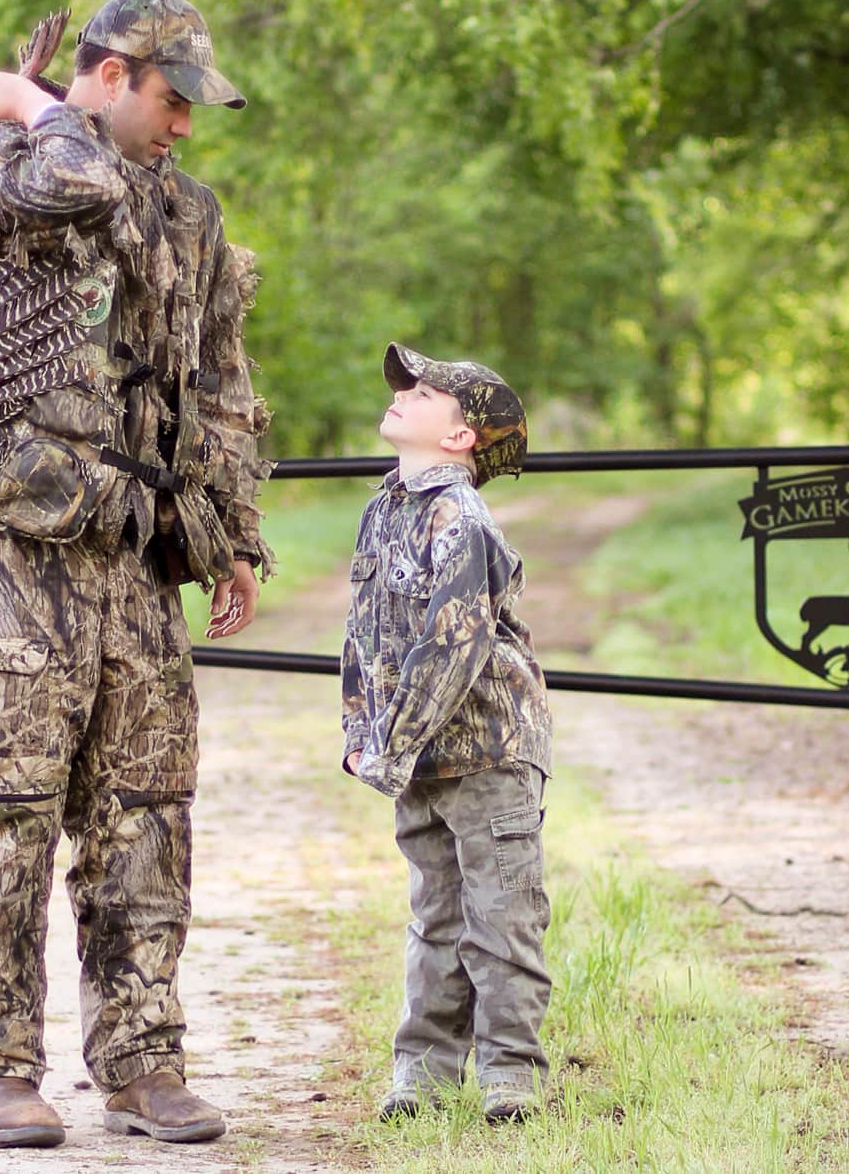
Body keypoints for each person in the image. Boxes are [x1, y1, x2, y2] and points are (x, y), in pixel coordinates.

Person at [0, 0, 274, 1148]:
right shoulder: (0, 165)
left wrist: (233, 532)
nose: (186, 125)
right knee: (6, 817)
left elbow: (220, 382)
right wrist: (24, 104)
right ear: (104, 76)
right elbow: (68, 184)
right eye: (170, 98)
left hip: (138, 559)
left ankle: (144, 1059)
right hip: (7, 553)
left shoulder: (192, 215)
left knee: (147, 812)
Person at [340, 343, 553, 1124]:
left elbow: (453, 641)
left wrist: (390, 748)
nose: (403, 392)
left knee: (501, 917)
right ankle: (423, 1076)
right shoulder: (384, 509)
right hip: (423, 756)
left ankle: (511, 1076)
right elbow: (367, 636)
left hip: (489, 750)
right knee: (435, 918)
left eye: (425, 390)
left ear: (462, 436)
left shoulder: (460, 517)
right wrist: (370, 734)